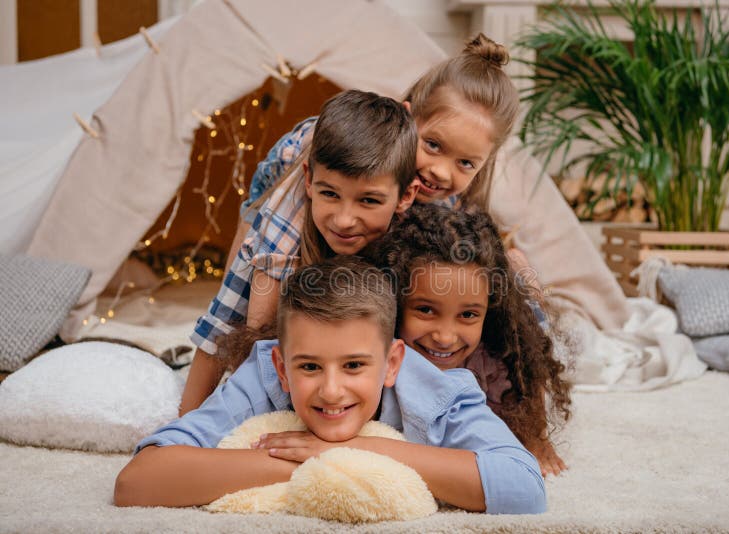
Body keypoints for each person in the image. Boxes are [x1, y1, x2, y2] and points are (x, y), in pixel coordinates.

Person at [180, 33, 520, 415]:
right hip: (289, 179)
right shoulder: (309, 180)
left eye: (466, 163)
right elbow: (251, 314)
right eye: (433, 145)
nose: (440, 171)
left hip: (369, 200)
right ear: (409, 118)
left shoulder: (445, 203)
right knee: (250, 282)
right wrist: (237, 383)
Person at [114, 258, 547, 514]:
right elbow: (137, 481)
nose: (332, 390)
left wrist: (350, 452)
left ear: (392, 363)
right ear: (283, 368)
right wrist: (309, 462)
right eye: (310, 367)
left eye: (354, 365)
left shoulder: (439, 394)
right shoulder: (263, 375)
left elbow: (525, 487)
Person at [366, 203, 573, 477]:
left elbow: (532, 371)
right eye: (426, 310)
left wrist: (537, 437)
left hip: (519, 319)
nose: (444, 337)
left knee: (533, 321)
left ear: (487, 312)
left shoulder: (496, 359)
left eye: (467, 315)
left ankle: (523, 279)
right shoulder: (379, 352)